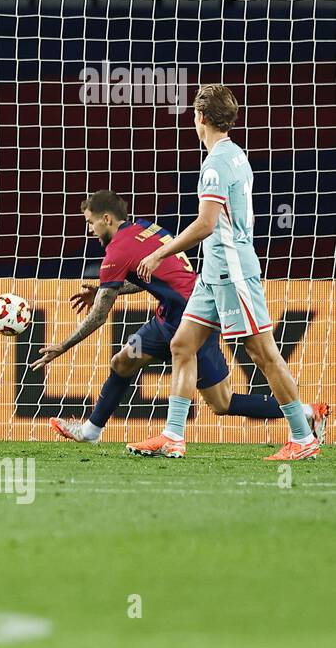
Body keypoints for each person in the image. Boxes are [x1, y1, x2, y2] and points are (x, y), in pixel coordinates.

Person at [33, 190, 325, 444]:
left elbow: (99, 316)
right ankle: (91, 430)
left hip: (194, 318)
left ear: (106, 219)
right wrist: (103, 288)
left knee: (221, 402)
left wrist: (63, 346)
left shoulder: (115, 253)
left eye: (90, 223)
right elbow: (149, 277)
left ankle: (307, 414)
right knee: (122, 362)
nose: (89, 230)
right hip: (167, 319)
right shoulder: (145, 229)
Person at [130, 85, 321, 461]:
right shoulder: (235, 154)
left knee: (262, 353)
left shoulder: (216, 163)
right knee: (182, 344)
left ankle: (303, 436)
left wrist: (160, 253)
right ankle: (173, 435)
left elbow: (205, 223)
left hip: (232, 271)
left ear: (200, 117)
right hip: (213, 272)